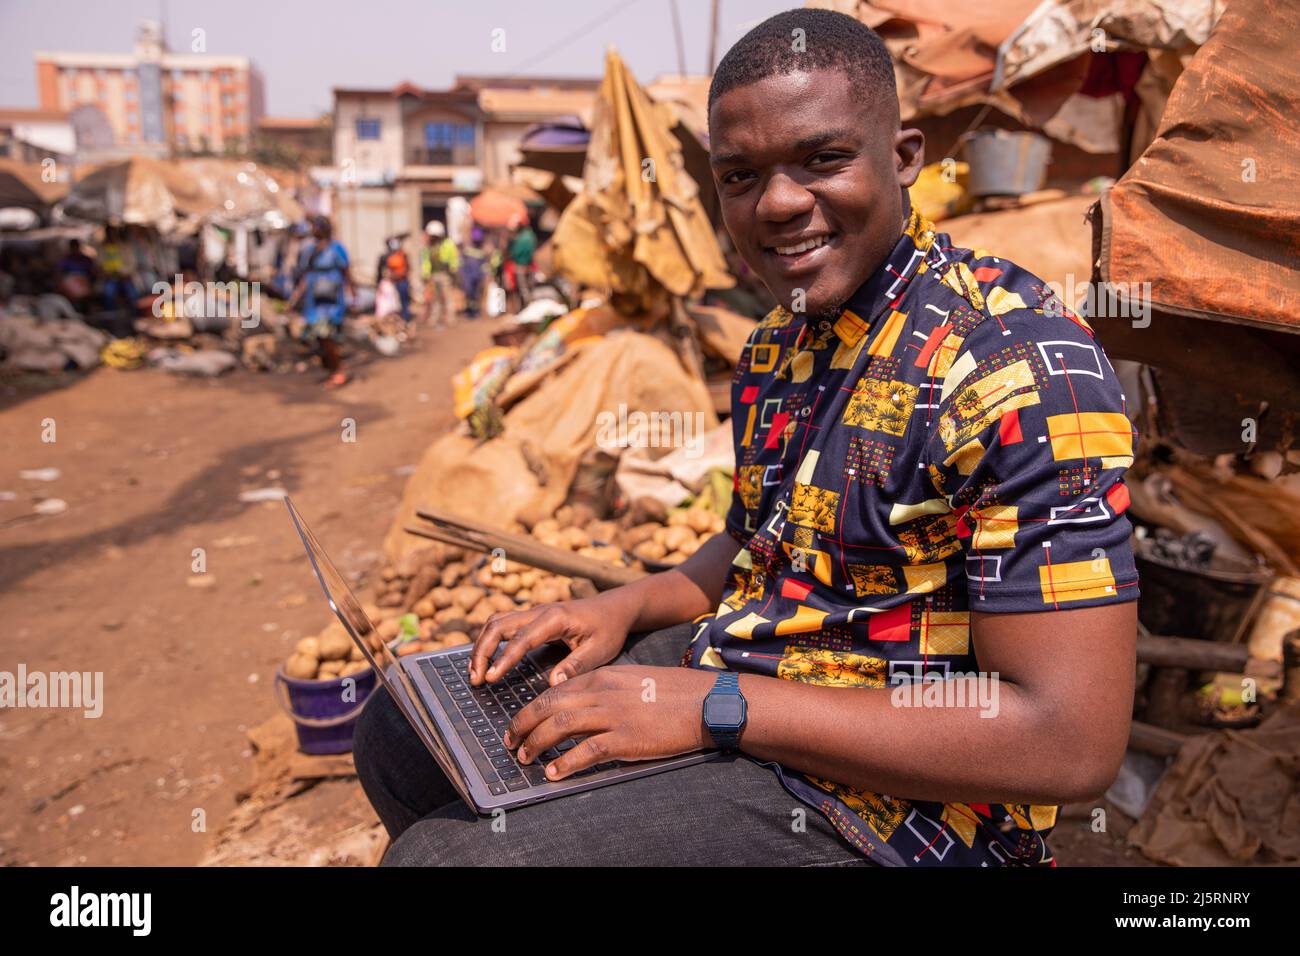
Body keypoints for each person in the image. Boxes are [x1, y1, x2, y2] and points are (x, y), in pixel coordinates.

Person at [354, 8, 1139, 867]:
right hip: (765, 685)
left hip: (908, 810)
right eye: (740, 176)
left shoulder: (1016, 366)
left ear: (906, 157)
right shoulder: (777, 345)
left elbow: (1068, 742)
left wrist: (712, 707)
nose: (779, 203)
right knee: (404, 726)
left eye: (822, 159)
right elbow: (750, 542)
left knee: (445, 862)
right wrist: (615, 607)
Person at [290, 215, 353, 388]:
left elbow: (347, 272)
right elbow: (305, 276)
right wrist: (296, 297)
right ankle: (333, 369)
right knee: (318, 336)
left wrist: (353, 295)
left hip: (331, 301)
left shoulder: (336, 249)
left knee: (327, 335)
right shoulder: (310, 250)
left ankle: (338, 370)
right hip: (314, 301)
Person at [420, 220, 459, 327]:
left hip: (444, 274)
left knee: (447, 297)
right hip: (433, 275)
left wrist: (453, 270)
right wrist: (426, 275)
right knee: (435, 298)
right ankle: (434, 318)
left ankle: (450, 318)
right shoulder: (428, 247)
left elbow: (453, 259)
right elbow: (425, 262)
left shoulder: (448, 244)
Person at [503, 213, 537, 312]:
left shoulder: (523, 238)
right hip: (528, 266)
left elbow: (516, 252)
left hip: (521, 267)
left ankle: (528, 310)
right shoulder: (530, 235)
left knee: (523, 290)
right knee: (527, 289)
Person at [378, 236, 412, 322]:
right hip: (392, 283)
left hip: (401, 282)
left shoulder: (402, 255)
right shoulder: (387, 257)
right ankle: (397, 320)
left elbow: (407, 268)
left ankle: (403, 319)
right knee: (393, 304)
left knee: (403, 302)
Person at [458, 227, 488, 319]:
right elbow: (461, 263)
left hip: (477, 277)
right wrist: (461, 273)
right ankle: (469, 311)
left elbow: (484, 265)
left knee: (476, 294)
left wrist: (484, 274)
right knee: (469, 294)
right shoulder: (467, 250)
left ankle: (475, 311)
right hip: (468, 277)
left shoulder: (481, 251)